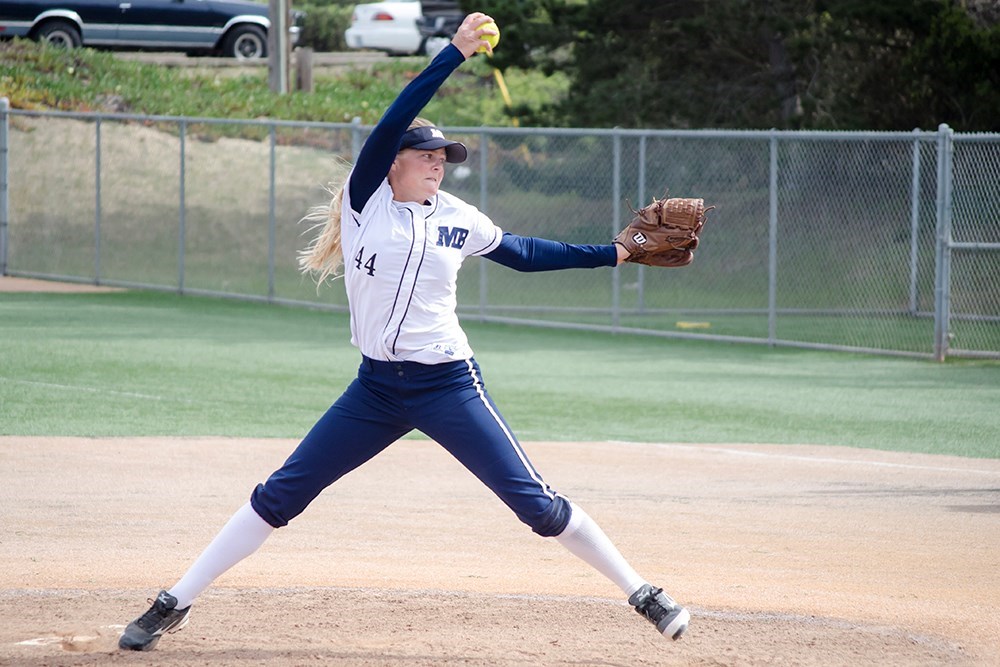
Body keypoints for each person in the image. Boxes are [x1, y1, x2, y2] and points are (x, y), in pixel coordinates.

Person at [118, 12, 690, 652]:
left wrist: (610, 254)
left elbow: (523, 253)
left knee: (535, 505)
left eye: (445, 158)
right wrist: (453, 54)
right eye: (426, 156)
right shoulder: (366, 203)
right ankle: (176, 600)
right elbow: (395, 119)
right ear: (392, 164)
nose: (439, 165)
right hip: (375, 391)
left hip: (449, 384)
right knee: (280, 494)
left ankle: (642, 591)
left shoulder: (456, 216)